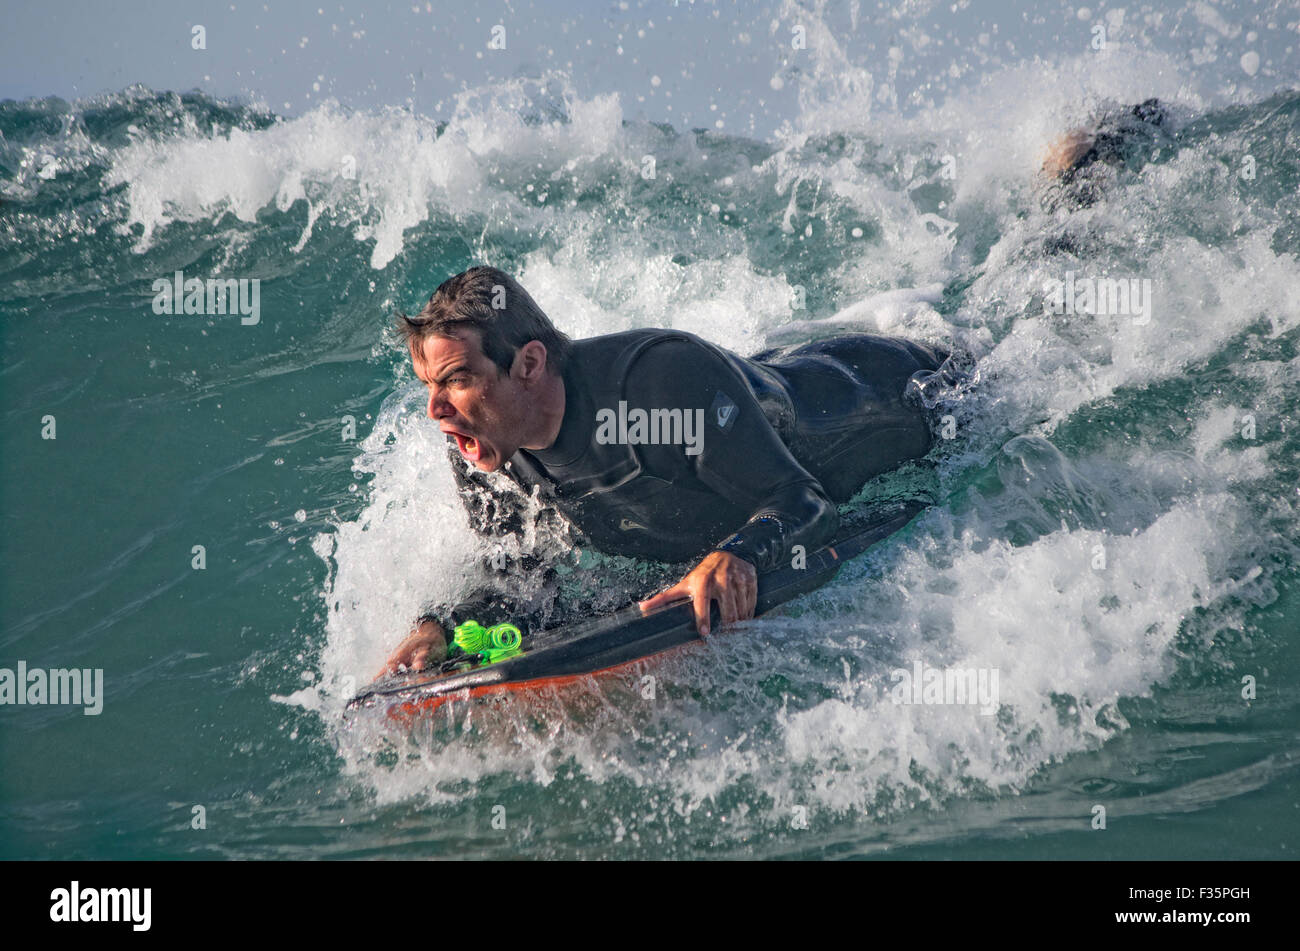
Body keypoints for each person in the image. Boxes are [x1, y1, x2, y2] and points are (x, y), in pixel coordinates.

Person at [378, 267, 954, 678]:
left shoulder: (657, 390)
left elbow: (804, 503)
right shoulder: (482, 447)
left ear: (529, 363)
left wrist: (740, 554)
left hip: (906, 394)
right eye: (428, 385)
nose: (435, 409)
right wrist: (443, 626)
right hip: (776, 384)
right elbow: (519, 578)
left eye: (455, 379)